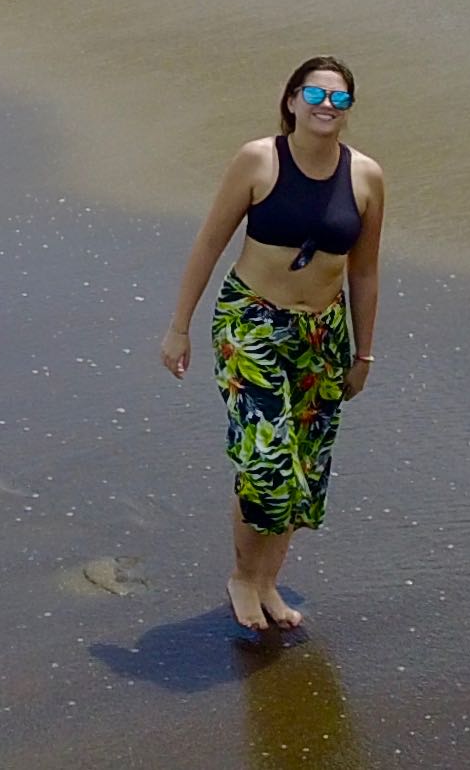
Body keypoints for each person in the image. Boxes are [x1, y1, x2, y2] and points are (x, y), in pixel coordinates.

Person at [159, 55, 382, 640]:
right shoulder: (259, 160)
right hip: (251, 324)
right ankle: (241, 576)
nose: (325, 107)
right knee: (267, 464)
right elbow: (210, 242)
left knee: (303, 468)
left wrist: (363, 354)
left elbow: (364, 273)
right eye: (315, 95)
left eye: (338, 99)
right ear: (291, 101)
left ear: (349, 110)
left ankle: (266, 581)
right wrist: (179, 326)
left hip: (323, 334)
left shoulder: (366, 177)